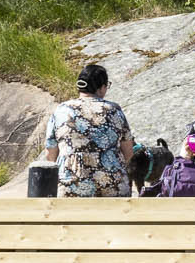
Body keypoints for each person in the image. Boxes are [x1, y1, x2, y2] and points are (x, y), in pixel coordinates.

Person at [43, 62, 134, 198]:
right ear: (101, 88)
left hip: (71, 182)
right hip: (112, 183)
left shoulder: (62, 110)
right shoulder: (114, 110)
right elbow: (128, 152)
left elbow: (50, 152)